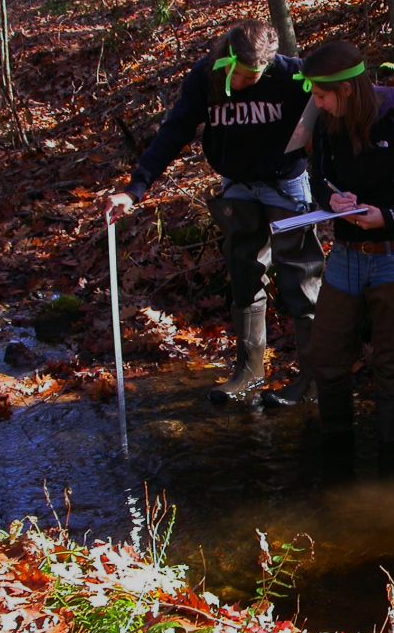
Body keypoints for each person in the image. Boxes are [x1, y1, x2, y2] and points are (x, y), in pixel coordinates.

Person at [104, 21, 323, 406]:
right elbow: (173, 132)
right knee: (244, 271)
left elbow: (332, 113)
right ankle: (249, 371)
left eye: (251, 77)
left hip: (286, 185)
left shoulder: (294, 76)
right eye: (236, 75)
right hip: (236, 186)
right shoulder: (204, 77)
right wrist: (133, 190)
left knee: (301, 279)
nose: (241, 83)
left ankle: (314, 378)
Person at [299, 40, 394, 473]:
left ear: (346, 89)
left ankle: (389, 456)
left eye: (322, 95)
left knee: (392, 364)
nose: (317, 104)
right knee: (327, 353)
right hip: (344, 257)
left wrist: (390, 216)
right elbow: (318, 176)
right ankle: (336, 448)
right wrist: (333, 199)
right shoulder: (325, 126)